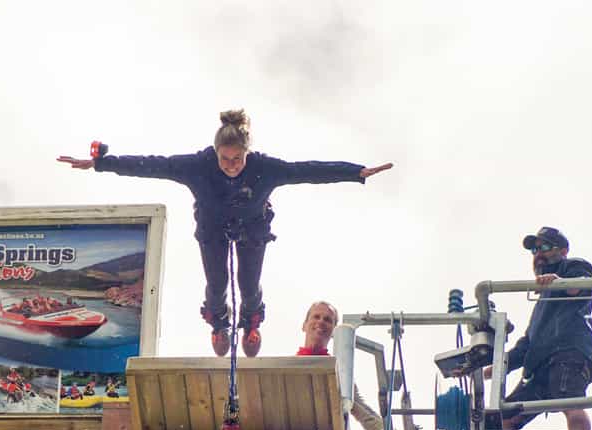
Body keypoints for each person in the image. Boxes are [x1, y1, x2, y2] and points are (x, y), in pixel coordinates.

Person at [58, 109, 393, 357]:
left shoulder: (265, 168)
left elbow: (306, 171)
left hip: (253, 228)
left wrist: (354, 172)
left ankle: (251, 321)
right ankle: (219, 323)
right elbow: (151, 165)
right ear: (215, 152)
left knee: (248, 284)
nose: (232, 165)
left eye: (238, 159)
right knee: (217, 283)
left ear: (248, 154)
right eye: (226, 158)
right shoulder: (197, 166)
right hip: (213, 228)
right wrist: (102, 163)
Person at [486, 227, 592, 430]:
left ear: (563, 250)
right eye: (534, 250)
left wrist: (558, 281)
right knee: (504, 418)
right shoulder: (542, 304)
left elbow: (579, 286)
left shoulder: (573, 266)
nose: (538, 254)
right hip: (538, 365)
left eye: (545, 247)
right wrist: (496, 367)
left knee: (570, 403)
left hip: (568, 353)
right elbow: (527, 344)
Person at [298, 301, 403, 430]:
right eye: (316, 317)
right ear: (304, 325)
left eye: (327, 320)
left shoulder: (338, 373)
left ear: (334, 331)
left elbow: (365, 414)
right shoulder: (285, 369)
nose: (321, 322)